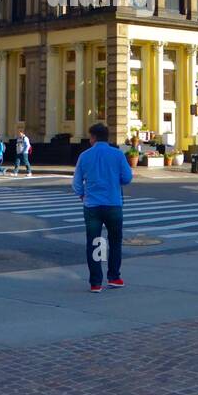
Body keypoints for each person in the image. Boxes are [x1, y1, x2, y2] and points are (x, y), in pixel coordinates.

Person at [71, 122, 132, 293]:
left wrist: (82, 194)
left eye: (90, 137)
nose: (89, 140)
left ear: (94, 137)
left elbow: (76, 183)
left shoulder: (84, 156)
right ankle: (114, 277)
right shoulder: (118, 155)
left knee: (94, 242)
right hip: (113, 204)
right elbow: (127, 178)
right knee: (115, 242)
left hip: (92, 206)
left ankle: (96, 282)